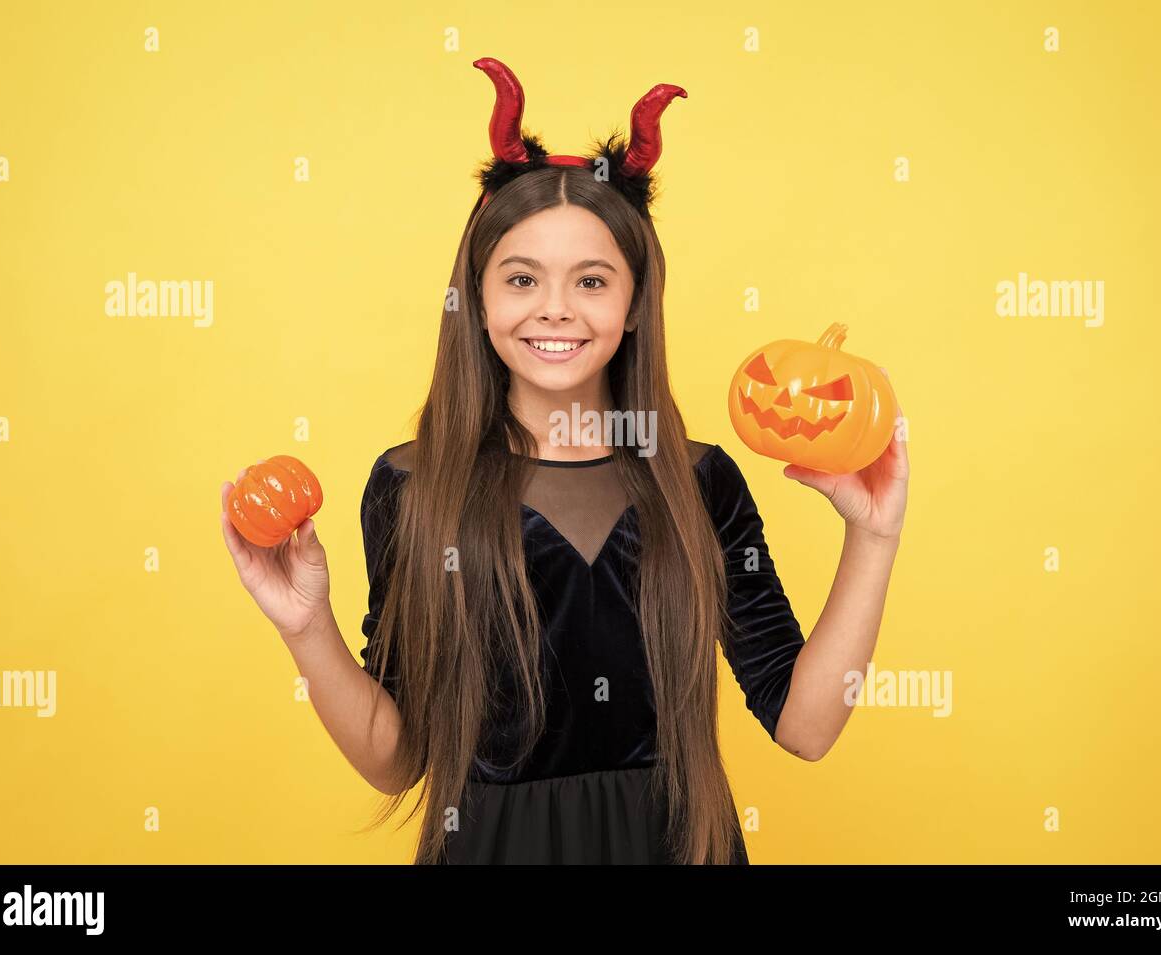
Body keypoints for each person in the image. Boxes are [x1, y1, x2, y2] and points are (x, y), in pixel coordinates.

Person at [221, 57, 908, 865]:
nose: (555, 307)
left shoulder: (698, 481)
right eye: (522, 278)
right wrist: (305, 626)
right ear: (477, 300)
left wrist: (873, 536)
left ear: (634, 303)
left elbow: (808, 724)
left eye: (591, 280)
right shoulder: (412, 486)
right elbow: (396, 758)